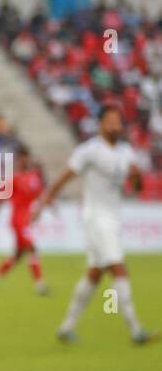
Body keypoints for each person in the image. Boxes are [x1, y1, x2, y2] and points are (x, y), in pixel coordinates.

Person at [32, 104, 153, 345]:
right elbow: (64, 178)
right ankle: (135, 329)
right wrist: (43, 203)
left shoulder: (126, 152)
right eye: (110, 121)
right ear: (100, 124)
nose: (115, 125)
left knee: (95, 274)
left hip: (114, 218)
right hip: (96, 218)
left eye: (118, 121)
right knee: (118, 268)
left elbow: (136, 190)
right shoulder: (89, 151)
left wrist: (137, 178)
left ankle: (66, 327)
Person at [0, 146, 48, 295]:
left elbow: (40, 196)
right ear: (18, 160)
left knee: (18, 255)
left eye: (26, 157)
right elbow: (0, 200)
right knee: (33, 248)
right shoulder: (14, 179)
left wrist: (42, 209)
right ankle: (40, 286)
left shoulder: (34, 177)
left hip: (27, 220)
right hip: (18, 221)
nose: (25, 160)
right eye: (22, 158)